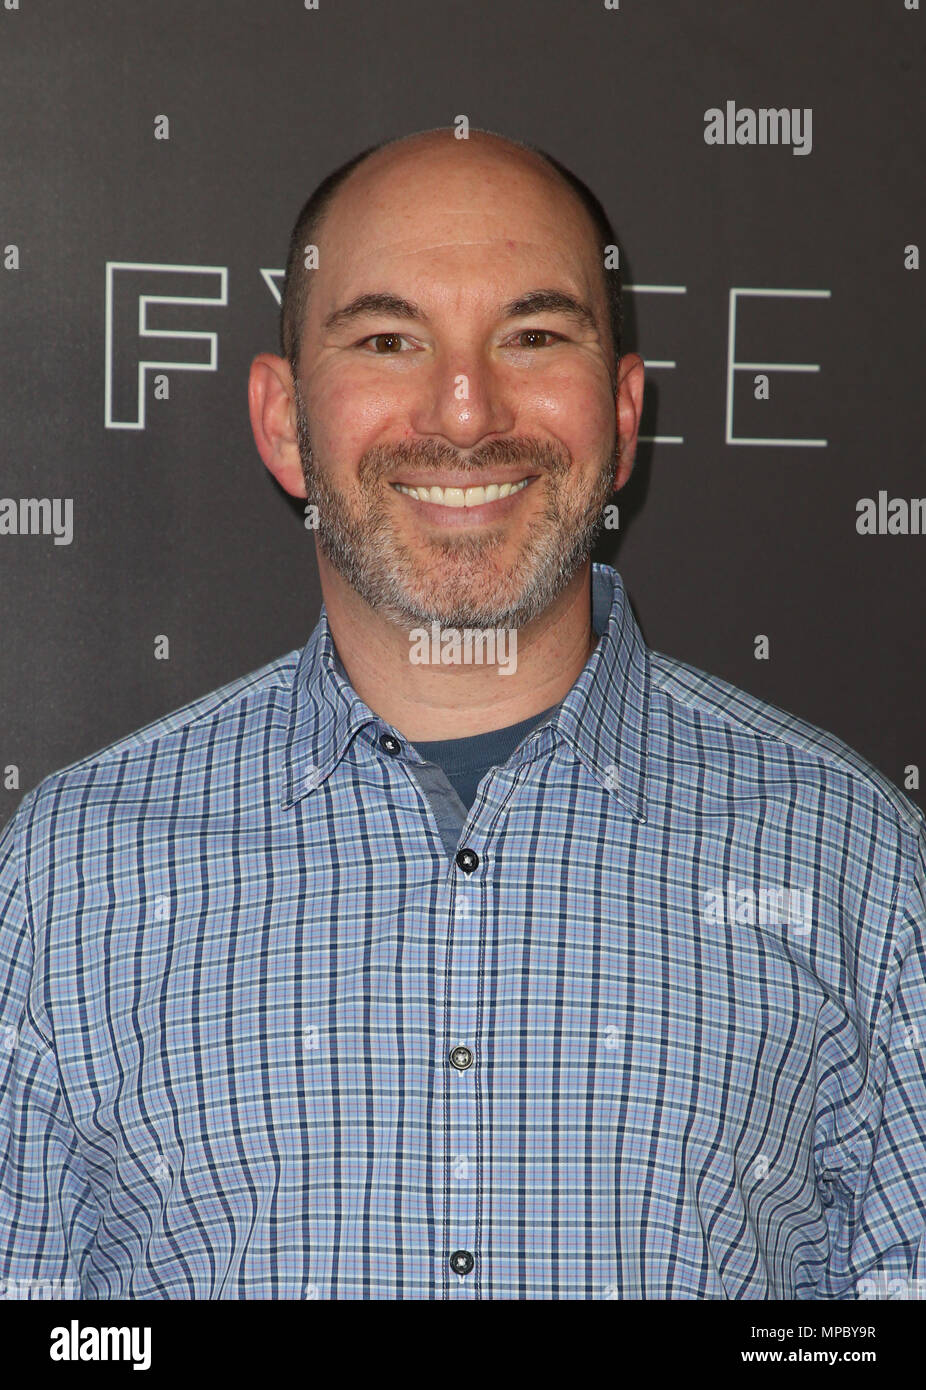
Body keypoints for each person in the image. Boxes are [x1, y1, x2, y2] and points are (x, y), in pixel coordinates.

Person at [1, 127, 924, 1300]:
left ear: (625, 413)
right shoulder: (72, 873)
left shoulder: (847, 856)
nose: (465, 408)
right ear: (284, 422)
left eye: (532, 335)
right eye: (388, 339)